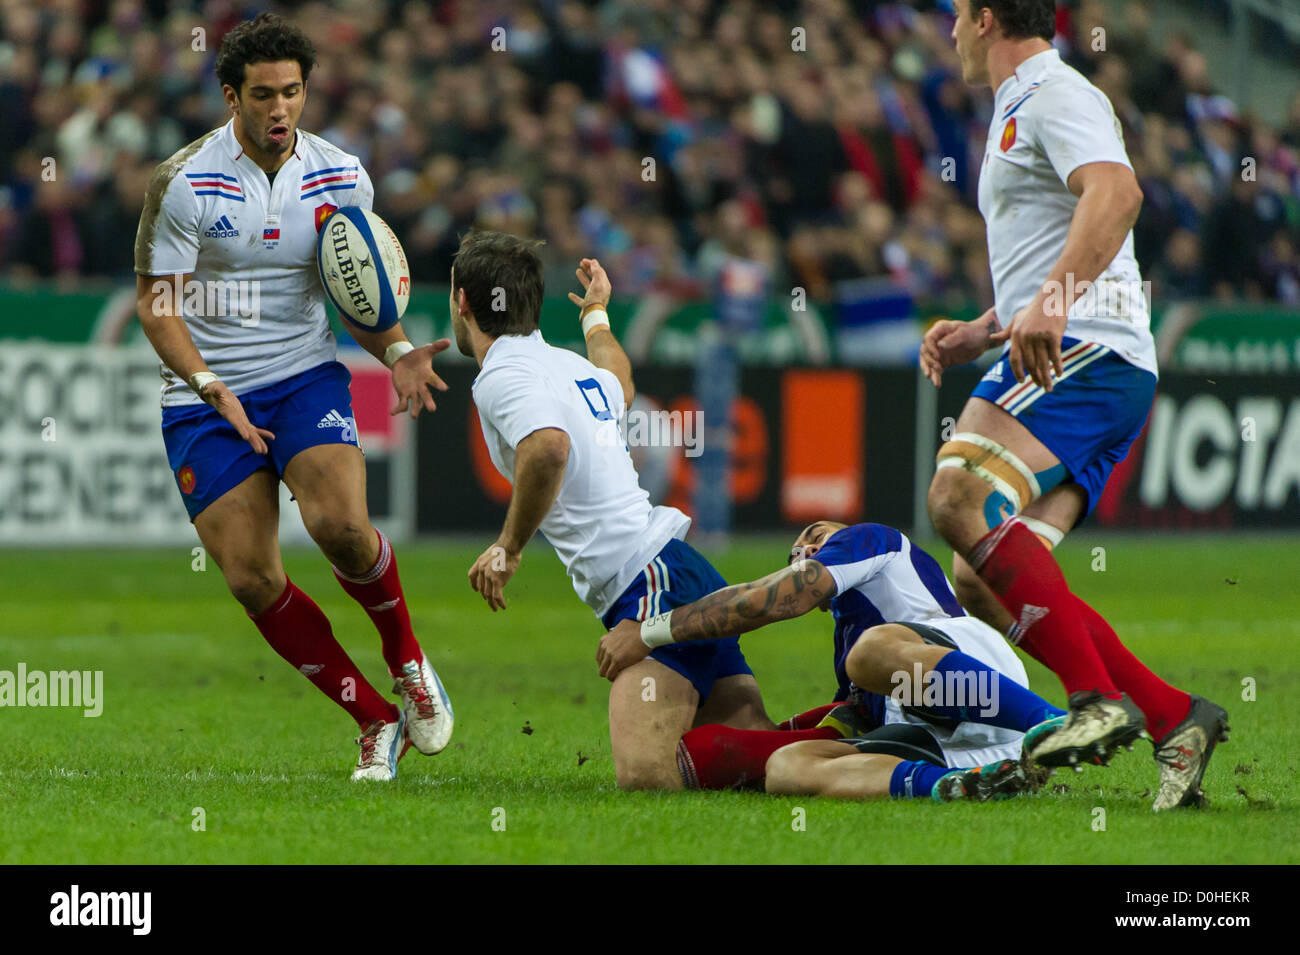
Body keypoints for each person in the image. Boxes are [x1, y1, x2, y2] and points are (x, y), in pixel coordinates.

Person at [918, 0, 1226, 811]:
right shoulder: (1020, 108)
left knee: (955, 495)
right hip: (1083, 350)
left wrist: (1052, 302)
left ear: (985, 19)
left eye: (955, 13)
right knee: (984, 576)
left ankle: (1094, 699)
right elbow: (1056, 239)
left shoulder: (1056, 92)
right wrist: (986, 328)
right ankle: (1176, 716)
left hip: (1086, 350)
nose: (948, 29)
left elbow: (1118, 194)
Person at [133, 13, 452, 781]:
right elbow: (157, 303)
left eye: (294, 93)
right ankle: (375, 719)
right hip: (205, 396)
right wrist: (210, 386)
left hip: (304, 376)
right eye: (264, 95)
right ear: (230, 95)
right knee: (250, 576)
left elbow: (358, 294)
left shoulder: (343, 175)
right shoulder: (183, 181)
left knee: (342, 525)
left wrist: (400, 351)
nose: (281, 110)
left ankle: (407, 657)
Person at [454, 231, 773, 790]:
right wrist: (596, 313)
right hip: (677, 568)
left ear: (461, 303)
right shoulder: (565, 365)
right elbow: (621, 385)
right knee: (760, 754)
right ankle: (875, 750)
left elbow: (548, 448)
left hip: (647, 586)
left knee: (646, 775)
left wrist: (508, 548)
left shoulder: (501, 376)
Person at [598, 520, 1066, 802]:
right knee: (787, 769)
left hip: (974, 678)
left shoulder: (874, 542)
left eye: (814, 537)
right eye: (798, 551)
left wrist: (649, 630)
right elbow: (851, 717)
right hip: (956, 741)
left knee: (871, 656)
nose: (805, 550)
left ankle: (1057, 725)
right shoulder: (848, 641)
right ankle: (959, 786)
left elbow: (768, 600)